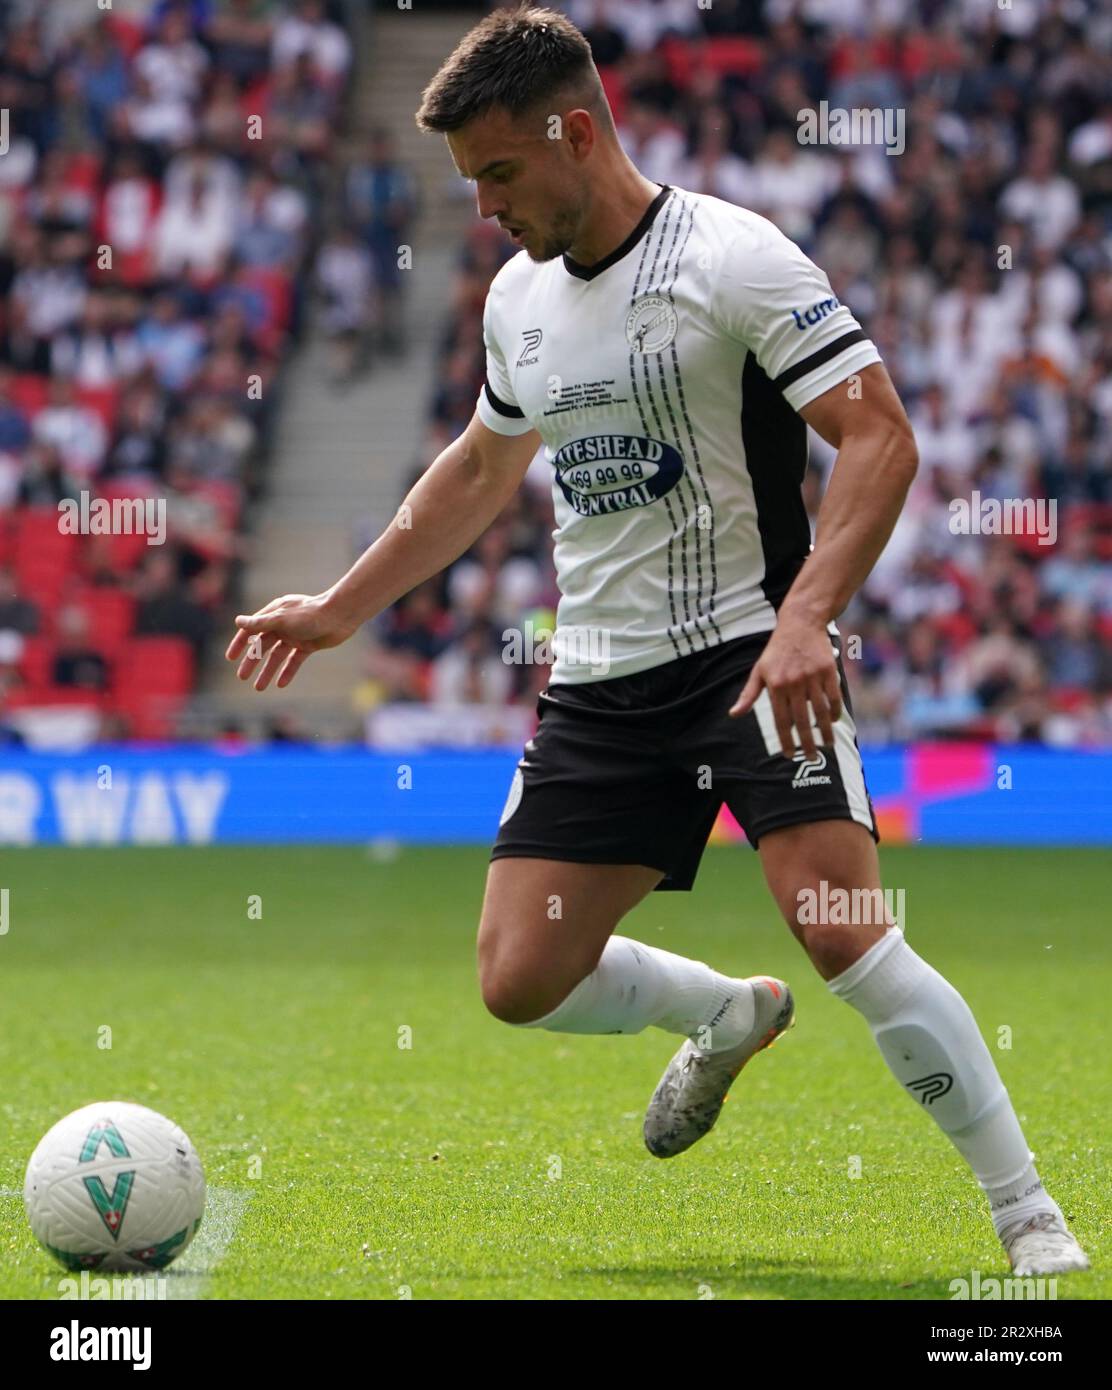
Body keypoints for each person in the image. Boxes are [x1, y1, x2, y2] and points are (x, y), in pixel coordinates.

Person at [225, 6, 1087, 1279]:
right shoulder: (517, 300)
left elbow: (879, 437)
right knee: (519, 977)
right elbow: (474, 469)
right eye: (470, 186)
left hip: (751, 655)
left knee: (841, 921)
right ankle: (725, 1014)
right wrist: (340, 606)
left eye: (500, 174)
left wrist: (806, 619)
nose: (486, 210)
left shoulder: (734, 258)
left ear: (575, 132)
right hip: (599, 682)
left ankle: (1027, 1218)